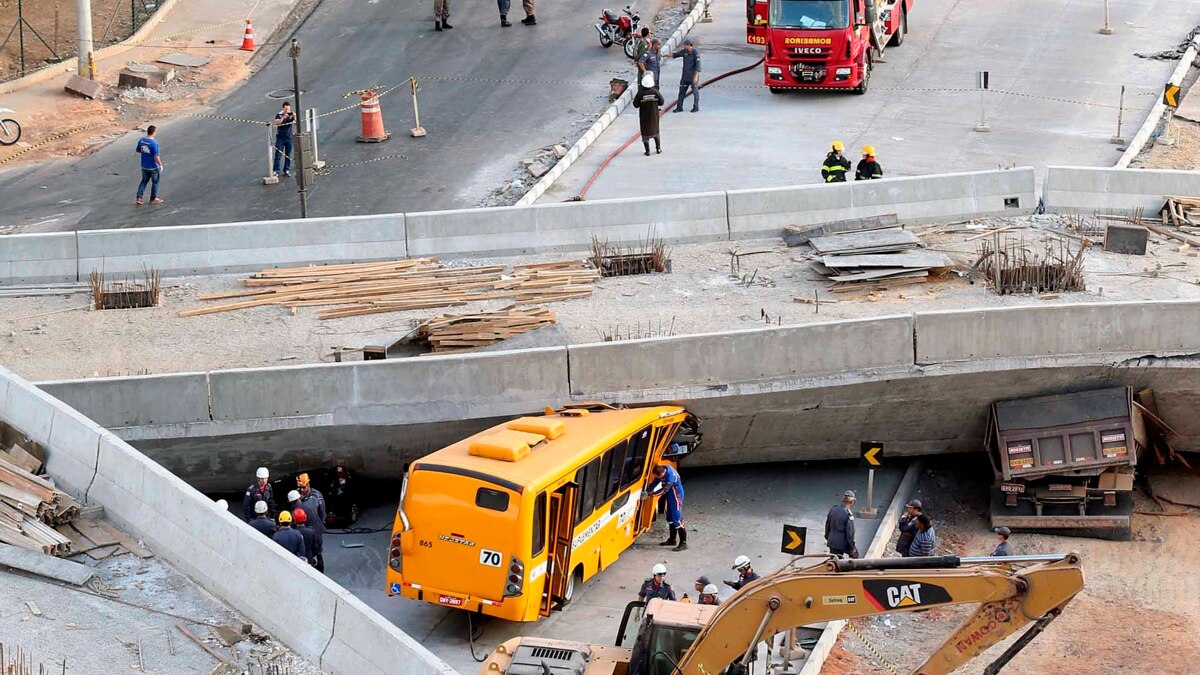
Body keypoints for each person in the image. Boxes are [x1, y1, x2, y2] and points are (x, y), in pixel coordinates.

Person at [648, 463, 686, 551]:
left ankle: (683, 543)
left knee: (677, 519)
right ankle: (672, 539)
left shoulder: (670, 479)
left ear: (661, 474)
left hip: (676, 497)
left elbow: (663, 491)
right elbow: (656, 481)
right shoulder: (664, 468)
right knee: (669, 518)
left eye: (658, 476)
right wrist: (648, 489)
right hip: (670, 496)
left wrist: (650, 495)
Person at [633, 73, 664, 157]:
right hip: (654, 116)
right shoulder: (655, 92)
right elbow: (661, 102)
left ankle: (647, 151)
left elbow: (635, 104)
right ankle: (658, 149)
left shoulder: (640, 93)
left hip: (644, 117)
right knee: (656, 132)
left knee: (645, 134)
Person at [670, 39, 701, 113]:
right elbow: (675, 55)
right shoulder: (684, 52)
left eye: (685, 45)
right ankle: (679, 107)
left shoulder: (695, 53)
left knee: (695, 92)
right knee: (681, 92)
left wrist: (695, 78)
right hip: (685, 77)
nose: (684, 46)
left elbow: (698, 67)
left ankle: (696, 107)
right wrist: (663, 55)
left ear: (689, 45)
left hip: (693, 77)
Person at [135, 125, 163, 206]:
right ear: (153, 132)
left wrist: (145, 150)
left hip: (144, 165)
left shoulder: (142, 140)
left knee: (144, 181)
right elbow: (156, 156)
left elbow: (138, 150)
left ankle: (139, 198)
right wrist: (160, 164)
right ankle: (153, 199)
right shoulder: (154, 143)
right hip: (153, 167)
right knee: (155, 182)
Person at [824, 490, 858, 558]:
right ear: (851, 502)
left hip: (831, 541)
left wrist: (828, 537)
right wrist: (852, 546)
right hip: (842, 543)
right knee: (855, 555)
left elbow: (827, 525)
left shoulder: (833, 509)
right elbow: (850, 533)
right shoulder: (848, 514)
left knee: (834, 559)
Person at [272, 102, 296, 178]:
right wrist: (283, 118)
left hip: (289, 137)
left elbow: (296, 123)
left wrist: (295, 116)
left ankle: (287, 170)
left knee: (288, 155)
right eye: (286, 109)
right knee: (278, 155)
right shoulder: (279, 115)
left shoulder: (291, 114)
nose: (287, 111)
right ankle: (276, 171)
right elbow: (276, 122)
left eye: (288, 109)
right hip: (280, 138)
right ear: (283, 108)